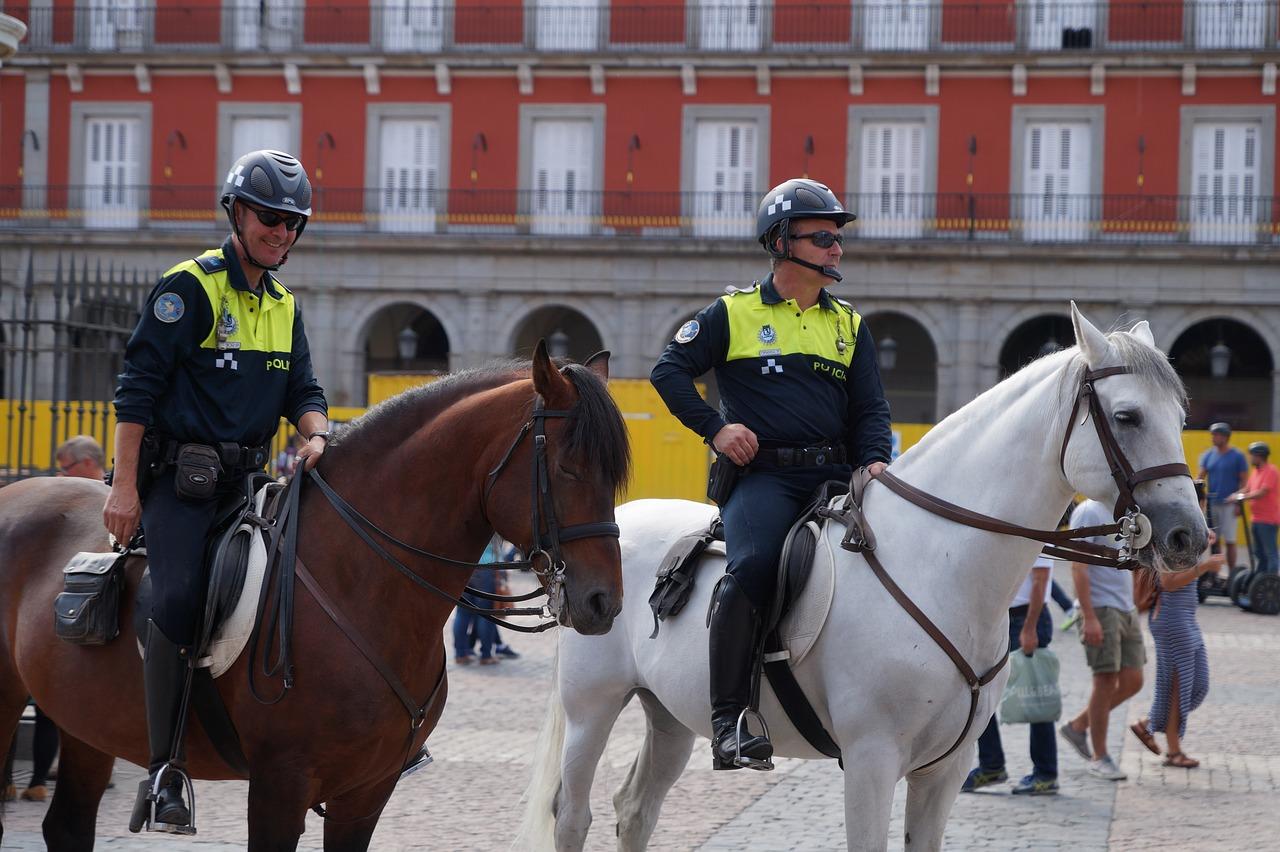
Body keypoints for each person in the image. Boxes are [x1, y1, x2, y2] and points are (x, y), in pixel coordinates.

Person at [104, 149, 329, 833]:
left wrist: (318, 432)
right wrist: (122, 489)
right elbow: (136, 391)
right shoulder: (190, 288)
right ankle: (166, 769)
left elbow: (305, 392)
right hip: (181, 486)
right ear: (236, 212)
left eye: (294, 223)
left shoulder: (285, 304)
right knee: (175, 598)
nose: (281, 233)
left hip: (253, 485)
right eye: (270, 219)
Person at [651, 178, 891, 771]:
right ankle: (730, 717)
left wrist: (876, 460)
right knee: (754, 565)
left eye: (839, 238)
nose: (837, 248)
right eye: (824, 237)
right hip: (764, 480)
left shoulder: (849, 325)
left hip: (838, 477)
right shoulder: (733, 313)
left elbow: (869, 410)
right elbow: (669, 371)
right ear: (782, 241)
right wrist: (715, 428)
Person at [1131, 480, 1222, 769]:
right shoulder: (1177, 534)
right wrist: (1204, 567)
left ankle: (1148, 724)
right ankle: (1174, 750)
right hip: (1172, 620)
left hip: (1185, 619)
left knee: (1197, 686)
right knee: (1177, 688)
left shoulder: (1191, 534)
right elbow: (1168, 582)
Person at [1058, 499, 1145, 781]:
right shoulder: (1088, 511)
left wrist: (1134, 602)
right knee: (1105, 680)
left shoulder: (1128, 512)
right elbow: (1078, 567)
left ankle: (1079, 725)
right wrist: (1089, 615)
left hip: (1124, 608)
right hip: (1100, 608)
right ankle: (1100, 756)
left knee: (1133, 681)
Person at [962, 552, 1060, 795]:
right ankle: (991, 764)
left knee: (1035, 696)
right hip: (999, 617)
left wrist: (1029, 628)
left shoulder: (1039, 532)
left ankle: (1046, 772)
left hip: (1026, 619)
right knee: (980, 691)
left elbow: (1041, 580)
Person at [1197, 423, 1249, 569]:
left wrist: (1239, 502)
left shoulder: (1237, 456)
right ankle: (1216, 572)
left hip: (1230, 504)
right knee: (1213, 540)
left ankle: (1232, 573)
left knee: (1230, 540)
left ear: (1225, 437)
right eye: (1212, 435)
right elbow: (1200, 478)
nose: (1213, 437)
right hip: (1212, 503)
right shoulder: (1208, 455)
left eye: (1216, 435)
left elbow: (1244, 483)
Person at [1231, 442, 1279, 576]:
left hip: (1268, 520)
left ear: (1260, 456)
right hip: (1256, 519)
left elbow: (1262, 492)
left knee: (1270, 553)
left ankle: (1272, 582)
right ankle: (1261, 578)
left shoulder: (1271, 471)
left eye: (1252, 456)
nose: (1250, 458)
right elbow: (1248, 488)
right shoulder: (1255, 472)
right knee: (1258, 552)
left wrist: (1242, 497)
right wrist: (1235, 495)